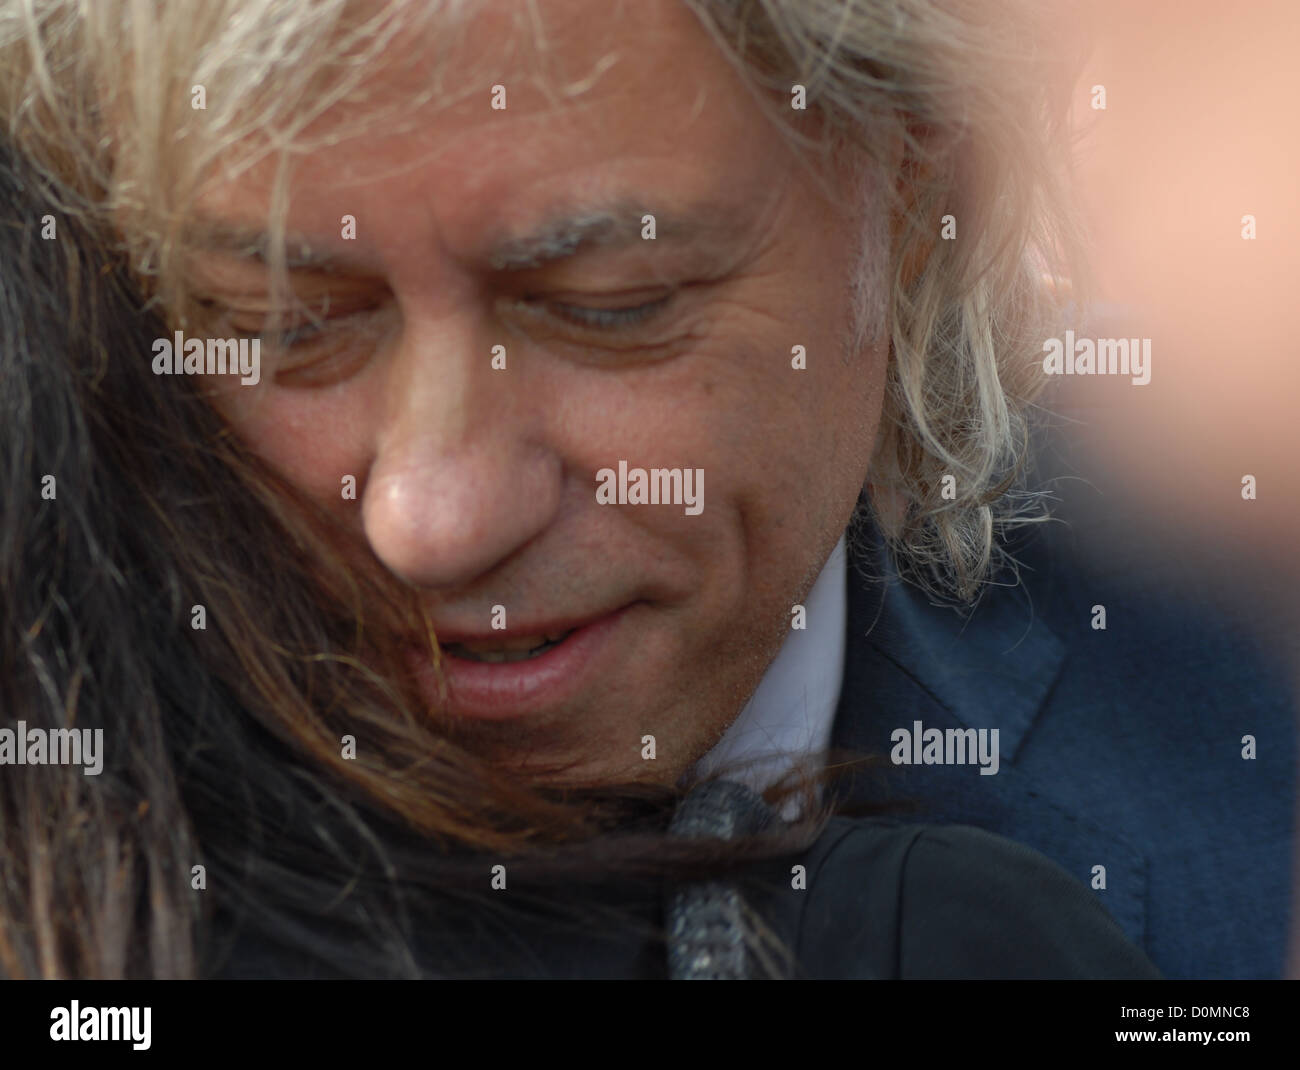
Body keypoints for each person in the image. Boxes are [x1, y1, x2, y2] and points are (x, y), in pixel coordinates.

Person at [0, 0, 1284, 979]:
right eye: (284, 319)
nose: (436, 518)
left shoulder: (1236, 736)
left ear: (914, 192)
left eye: (607, 309)